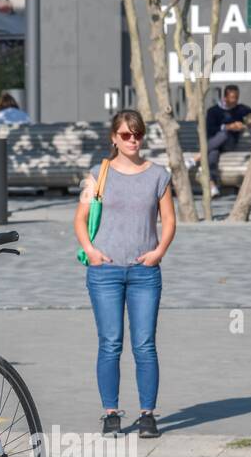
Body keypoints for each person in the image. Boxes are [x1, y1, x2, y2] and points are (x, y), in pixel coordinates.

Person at [73, 109, 176, 438]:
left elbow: (169, 220)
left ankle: (148, 414)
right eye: (126, 135)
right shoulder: (97, 174)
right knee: (110, 343)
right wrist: (91, 252)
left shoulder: (158, 175)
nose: (133, 141)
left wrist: (159, 252)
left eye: (138, 134)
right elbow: (80, 218)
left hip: (145, 272)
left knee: (145, 344)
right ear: (113, 138)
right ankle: (110, 412)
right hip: (105, 271)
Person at [201, 85, 251, 197]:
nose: (235, 100)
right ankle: (213, 186)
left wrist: (250, 122)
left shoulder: (241, 109)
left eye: (236, 97)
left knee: (225, 135)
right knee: (212, 154)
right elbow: (210, 129)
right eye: (232, 97)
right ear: (225, 98)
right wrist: (228, 126)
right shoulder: (213, 111)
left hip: (229, 144)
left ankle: (197, 157)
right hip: (214, 144)